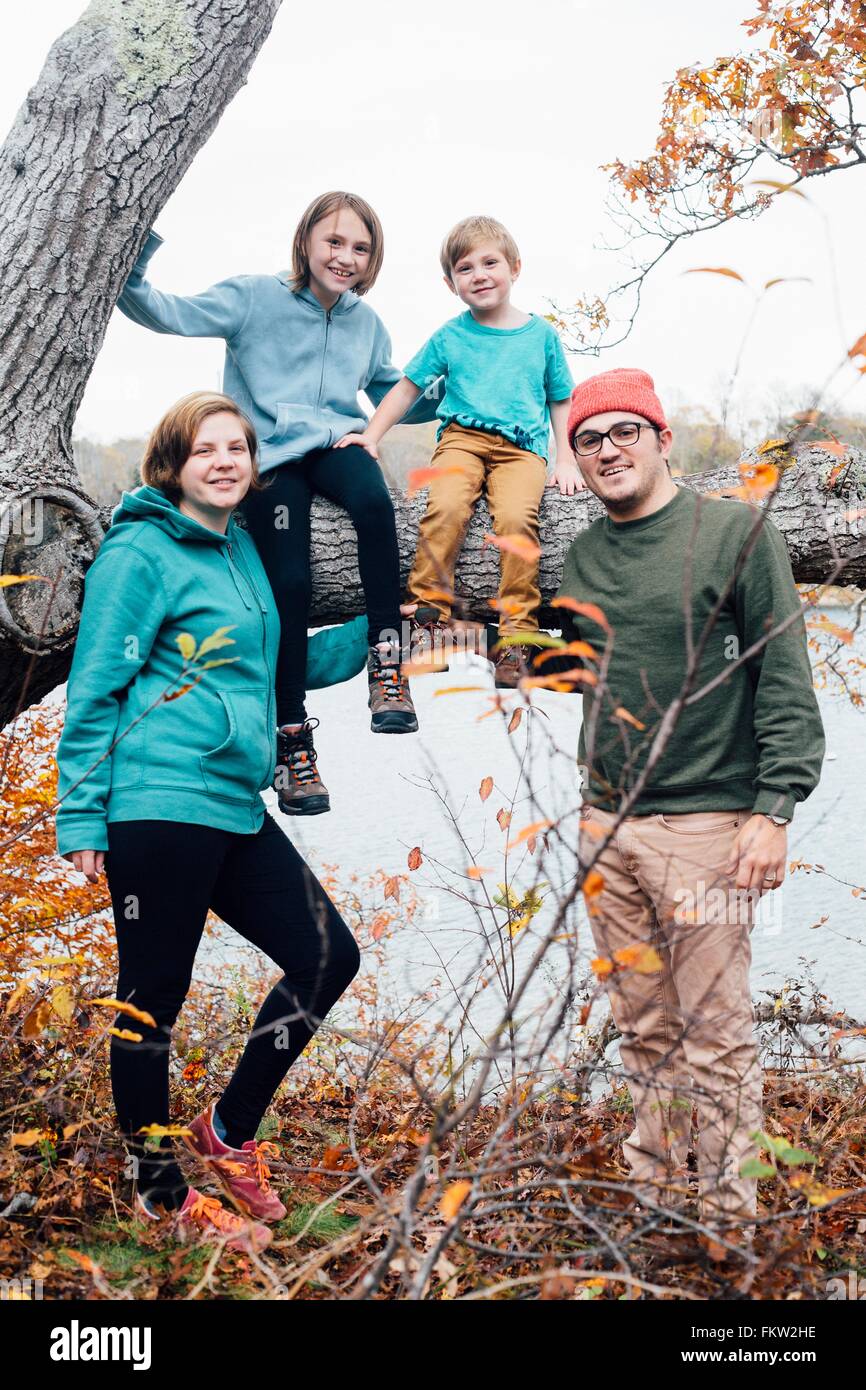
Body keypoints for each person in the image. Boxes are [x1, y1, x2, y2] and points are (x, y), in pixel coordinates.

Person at [55, 392, 361, 1253]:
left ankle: (225, 1133)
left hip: (231, 802)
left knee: (327, 955)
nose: (225, 462)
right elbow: (95, 689)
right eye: (206, 450)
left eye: (238, 448)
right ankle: (160, 1194)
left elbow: (278, 671)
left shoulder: (243, 554)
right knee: (152, 1000)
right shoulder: (141, 551)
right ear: (173, 463)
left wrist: (385, 629)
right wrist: (80, 816)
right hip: (155, 804)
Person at [553, 368, 825, 1237]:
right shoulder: (584, 556)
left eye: (625, 432)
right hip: (607, 830)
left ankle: (728, 1230)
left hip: (710, 828)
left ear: (663, 439)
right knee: (645, 1033)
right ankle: (657, 1212)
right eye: (590, 439)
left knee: (716, 1037)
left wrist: (773, 808)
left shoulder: (735, 533)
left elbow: (785, 678)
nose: (608, 450)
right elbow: (587, 674)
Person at [117, 191, 437, 816]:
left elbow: (396, 394)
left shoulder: (365, 324)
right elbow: (167, 312)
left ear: (374, 259)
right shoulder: (254, 298)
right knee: (288, 580)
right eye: (335, 242)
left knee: (376, 504)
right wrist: (132, 262)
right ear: (306, 242)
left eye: (361, 248)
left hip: (334, 444)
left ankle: (387, 664)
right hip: (271, 459)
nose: (345, 257)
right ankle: (293, 737)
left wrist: (459, 379)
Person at [337, 214, 581, 687]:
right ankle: (429, 617)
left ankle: (517, 640)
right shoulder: (451, 335)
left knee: (517, 522)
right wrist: (371, 435)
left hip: (523, 450)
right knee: (445, 505)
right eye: (465, 269)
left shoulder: (542, 335)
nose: (480, 275)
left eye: (490, 263)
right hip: (461, 441)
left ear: (515, 267)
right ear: (451, 283)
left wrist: (565, 458)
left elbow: (560, 398)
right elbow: (407, 389)